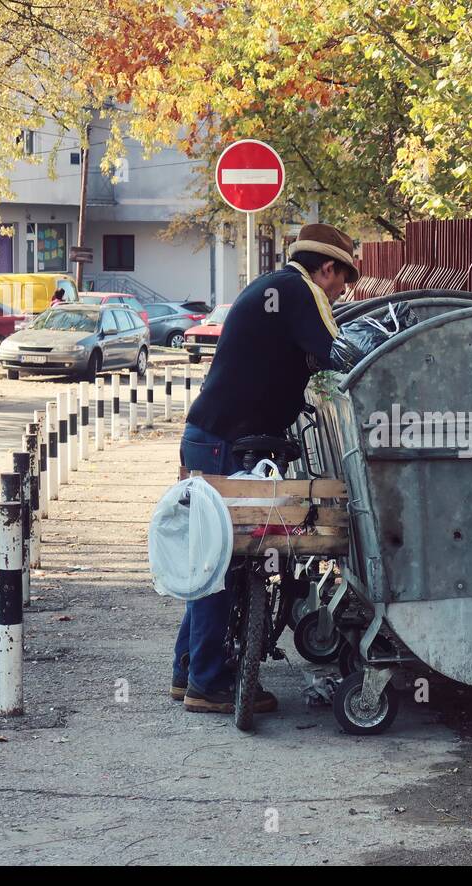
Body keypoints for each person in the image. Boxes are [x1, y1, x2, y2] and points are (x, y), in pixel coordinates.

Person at [173, 223, 358, 714]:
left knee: (211, 557)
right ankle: (207, 683)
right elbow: (336, 354)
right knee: (222, 565)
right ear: (328, 268)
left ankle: (189, 669)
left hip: (211, 439)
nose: (343, 292)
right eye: (344, 281)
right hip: (222, 444)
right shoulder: (296, 290)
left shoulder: (277, 288)